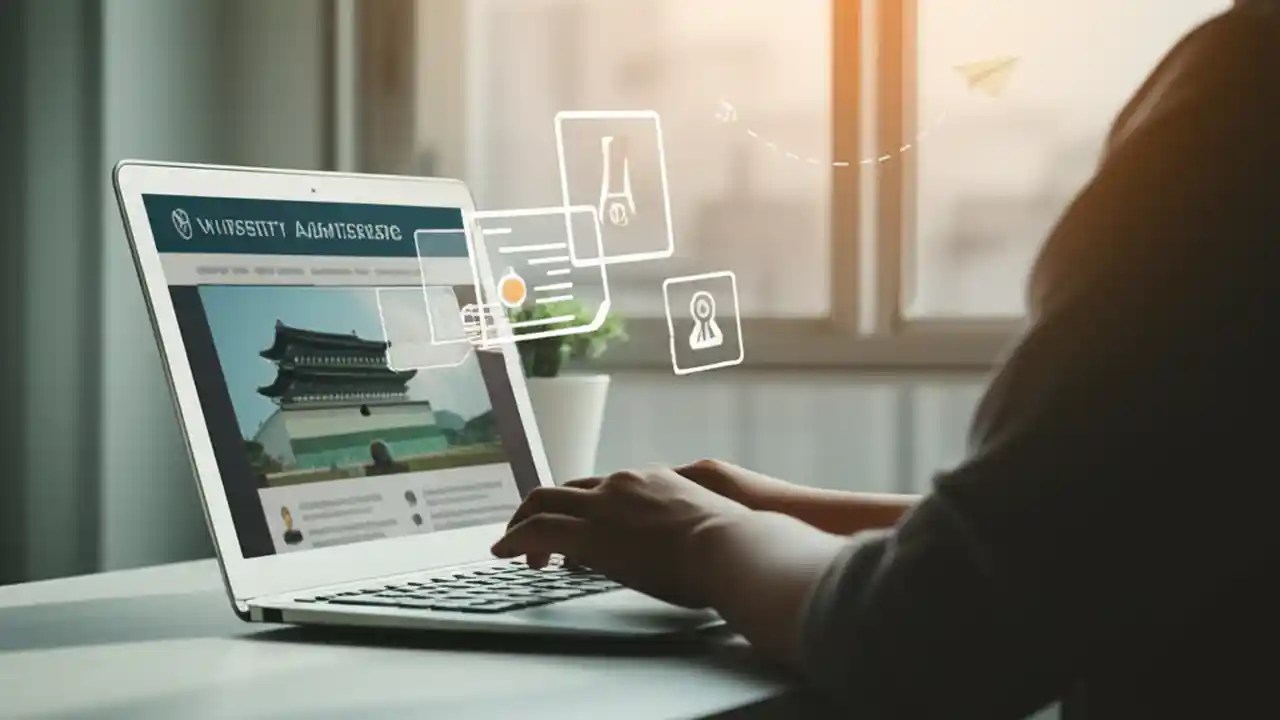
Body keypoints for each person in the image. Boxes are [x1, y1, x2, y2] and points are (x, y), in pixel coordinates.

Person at [492, 4, 1280, 717]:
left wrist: (703, 536)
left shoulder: (1244, 99)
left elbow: (937, 638)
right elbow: (1129, 537)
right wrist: (785, 513)